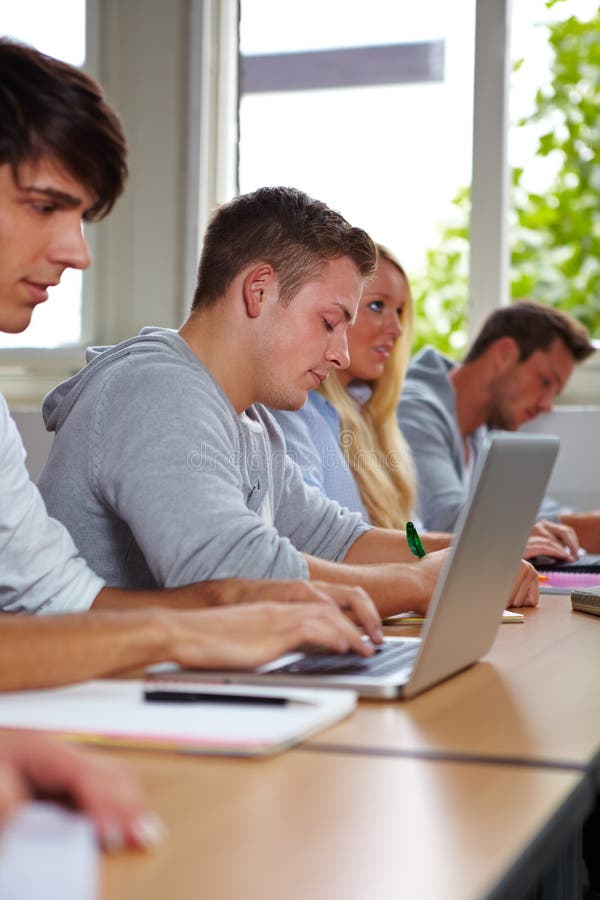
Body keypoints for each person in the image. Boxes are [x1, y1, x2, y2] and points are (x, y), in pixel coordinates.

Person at [38, 188, 537, 613]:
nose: (341, 355)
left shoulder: (250, 419)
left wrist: (471, 554)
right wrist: (421, 584)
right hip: (105, 705)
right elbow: (231, 571)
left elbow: (335, 540)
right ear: (259, 290)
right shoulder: (155, 389)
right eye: (329, 322)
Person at [273, 250, 577, 562]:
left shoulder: (373, 417)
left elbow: (412, 535)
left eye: (400, 312)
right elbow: (317, 542)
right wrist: (484, 547)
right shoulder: (295, 410)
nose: (397, 328)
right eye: (377, 306)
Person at [397, 300, 597, 551]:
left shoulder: (484, 430)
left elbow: (534, 509)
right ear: (504, 353)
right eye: (545, 381)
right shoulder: (412, 410)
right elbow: (446, 521)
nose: (547, 405)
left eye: (555, 393)